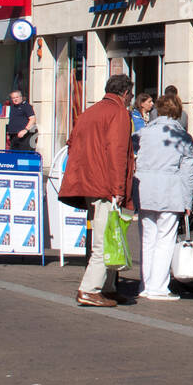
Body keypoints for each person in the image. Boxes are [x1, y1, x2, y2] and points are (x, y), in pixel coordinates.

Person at [59, 74, 135, 307]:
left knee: (109, 235)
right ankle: (89, 289)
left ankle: (108, 287)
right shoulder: (118, 113)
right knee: (105, 239)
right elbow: (117, 152)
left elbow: (72, 144)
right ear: (125, 94)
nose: (130, 99)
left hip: (90, 182)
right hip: (105, 185)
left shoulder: (89, 112)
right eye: (130, 95)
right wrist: (118, 189)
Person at [131, 93, 193, 301]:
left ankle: (146, 283)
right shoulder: (182, 137)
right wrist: (187, 201)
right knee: (165, 239)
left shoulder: (144, 134)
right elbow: (188, 172)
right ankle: (158, 287)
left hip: (144, 190)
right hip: (170, 190)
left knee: (148, 239)